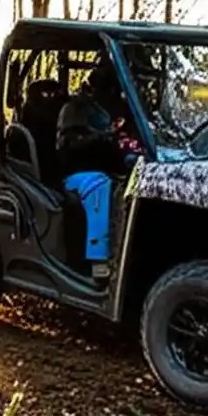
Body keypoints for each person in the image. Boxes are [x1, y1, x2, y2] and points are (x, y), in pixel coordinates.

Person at [55, 63, 138, 281]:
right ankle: (98, 264)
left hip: (111, 169)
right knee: (100, 187)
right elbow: (67, 146)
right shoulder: (75, 109)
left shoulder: (124, 108)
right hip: (79, 174)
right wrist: (104, 136)